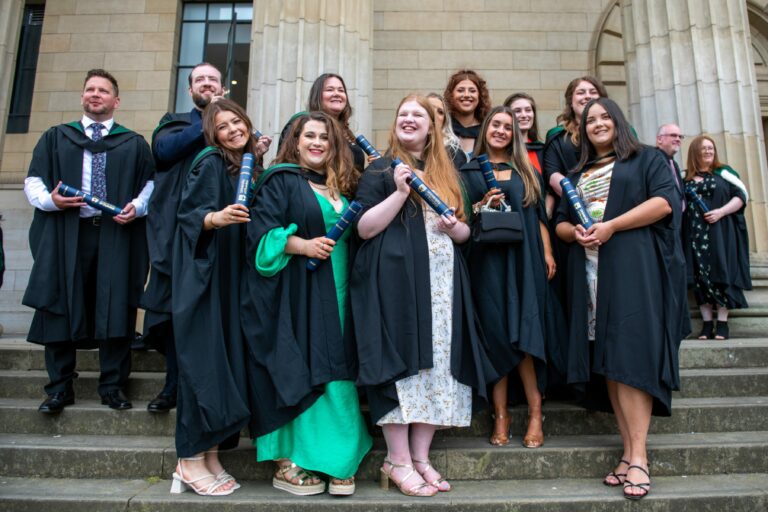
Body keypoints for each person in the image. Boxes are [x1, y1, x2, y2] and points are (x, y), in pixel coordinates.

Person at [351, 94, 497, 497]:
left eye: (418, 115)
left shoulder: (448, 172)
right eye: (402, 114)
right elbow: (362, 229)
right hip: (394, 283)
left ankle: (420, 458)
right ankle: (396, 460)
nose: (409, 119)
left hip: (443, 284)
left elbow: (466, 234)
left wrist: (456, 228)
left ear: (433, 126)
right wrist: (399, 193)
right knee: (402, 364)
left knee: (438, 366)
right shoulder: (381, 169)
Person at [555, 98, 688, 500]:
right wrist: (574, 234)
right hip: (592, 276)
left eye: (604, 117)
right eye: (589, 119)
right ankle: (628, 452)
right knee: (610, 362)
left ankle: (639, 457)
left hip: (632, 270)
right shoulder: (579, 172)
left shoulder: (645, 158)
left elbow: (665, 203)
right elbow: (560, 220)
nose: (597, 123)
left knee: (630, 358)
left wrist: (611, 225)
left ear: (618, 122)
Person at [242, 111, 372, 496]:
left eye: (324, 137)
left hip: (342, 291)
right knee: (302, 365)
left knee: (339, 366)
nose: (317, 143)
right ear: (295, 142)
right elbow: (260, 238)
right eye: (309, 136)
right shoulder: (280, 181)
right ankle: (289, 461)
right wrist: (302, 245)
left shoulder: (343, 184)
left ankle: (338, 459)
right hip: (297, 293)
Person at [142, 63, 272, 413]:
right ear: (190, 91)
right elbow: (164, 154)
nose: (208, 85)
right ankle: (174, 385)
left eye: (214, 81)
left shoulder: (235, 135)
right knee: (177, 312)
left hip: (228, 239)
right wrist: (211, 121)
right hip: (183, 230)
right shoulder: (175, 125)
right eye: (200, 80)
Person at [23, 69, 154, 413]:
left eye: (103, 90)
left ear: (116, 101)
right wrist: (52, 201)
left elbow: (152, 186)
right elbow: (33, 181)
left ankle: (112, 386)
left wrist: (138, 208)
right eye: (90, 90)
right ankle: (59, 387)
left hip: (115, 234)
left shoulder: (134, 143)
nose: (96, 94)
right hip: (67, 234)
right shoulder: (56, 137)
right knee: (59, 303)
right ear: (83, 97)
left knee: (116, 304)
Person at [170, 98, 267, 496]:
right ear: (212, 133)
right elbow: (189, 215)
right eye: (223, 126)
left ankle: (209, 456)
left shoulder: (239, 164)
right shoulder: (210, 161)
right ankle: (189, 462)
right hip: (206, 281)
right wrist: (215, 218)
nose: (232, 129)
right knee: (204, 365)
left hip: (230, 279)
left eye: (237, 122)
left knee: (222, 363)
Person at [461, 106, 566, 449]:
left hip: (525, 259)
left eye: (508, 127)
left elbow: (537, 216)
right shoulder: (468, 169)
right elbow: (460, 216)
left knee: (525, 332)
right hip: (486, 262)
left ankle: (536, 412)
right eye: (495, 124)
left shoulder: (525, 170)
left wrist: (548, 253)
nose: (501, 131)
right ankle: (500, 414)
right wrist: (480, 206)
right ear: (485, 129)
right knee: (496, 334)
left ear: (515, 135)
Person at [543, 77, 608, 303]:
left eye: (593, 91)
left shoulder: (618, 132)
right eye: (580, 92)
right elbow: (552, 175)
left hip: (613, 213)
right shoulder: (557, 137)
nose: (587, 96)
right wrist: (579, 199)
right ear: (571, 101)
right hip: (571, 216)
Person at [682, 135, 751, 340]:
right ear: (695, 152)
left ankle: (722, 323)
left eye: (711, 148)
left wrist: (720, 212)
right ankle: (706, 325)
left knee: (722, 272)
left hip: (720, 233)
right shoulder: (684, 178)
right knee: (700, 277)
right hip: (695, 234)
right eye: (703, 148)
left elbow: (741, 197)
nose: (708, 151)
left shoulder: (724, 174)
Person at [280, 73, 366, 173]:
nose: (336, 94)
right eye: (330, 90)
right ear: (318, 96)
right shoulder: (300, 124)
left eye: (341, 90)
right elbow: (288, 162)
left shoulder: (347, 133)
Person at [443, 70, 492, 155]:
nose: (466, 95)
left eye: (472, 91)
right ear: (451, 95)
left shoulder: (487, 130)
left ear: (480, 96)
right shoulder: (443, 127)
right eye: (460, 90)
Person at [426, 92, 468, 170]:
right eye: (429, 108)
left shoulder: (454, 154)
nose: (434, 114)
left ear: (444, 122)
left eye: (440, 112)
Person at [655, 123, 686, 211]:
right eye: (673, 135)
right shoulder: (654, 160)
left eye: (680, 137)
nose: (678, 139)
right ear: (659, 139)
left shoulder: (673, 163)